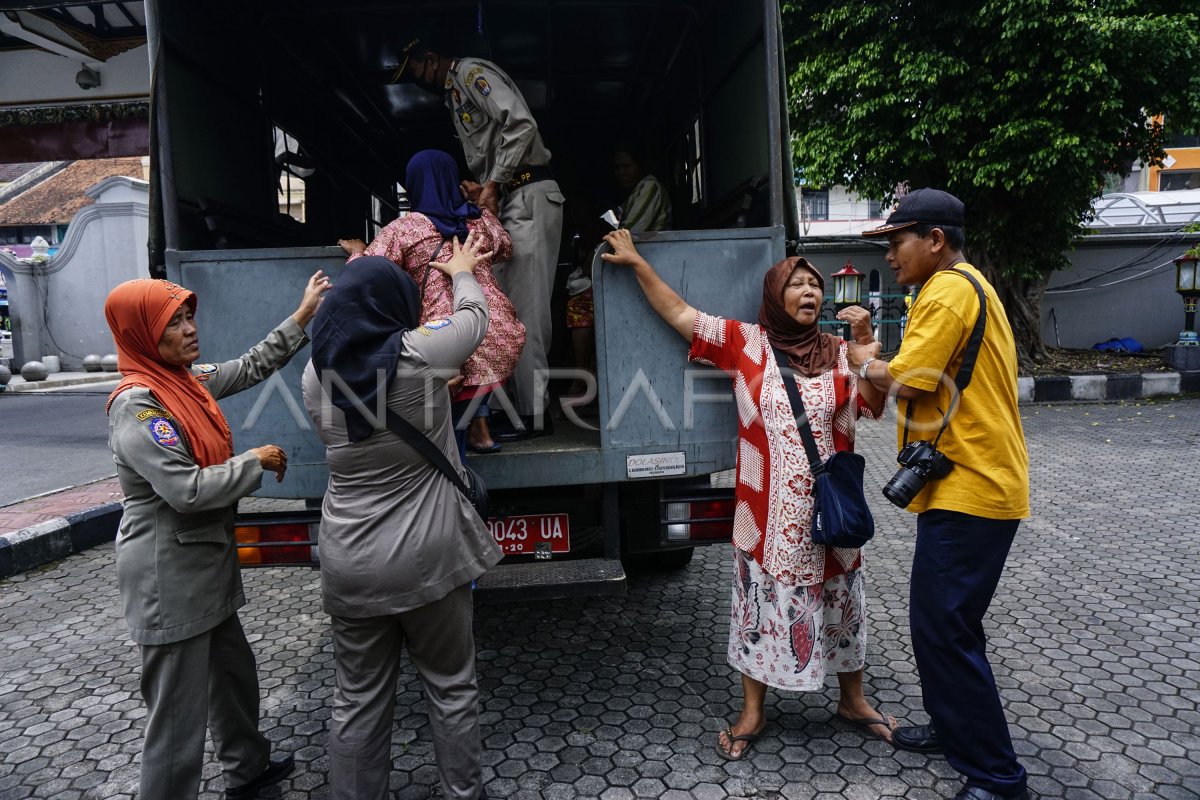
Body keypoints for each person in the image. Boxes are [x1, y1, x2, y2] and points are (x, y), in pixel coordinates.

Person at [600, 228, 897, 761]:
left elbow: (871, 406)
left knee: (841, 596)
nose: (810, 293)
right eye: (797, 284)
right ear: (775, 295)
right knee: (760, 605)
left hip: (833, 506)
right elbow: (681, 315)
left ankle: (852, 699)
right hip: (766, 512)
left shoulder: (838, 352)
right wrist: (638, 264)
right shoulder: (746, 342)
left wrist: (864, 346)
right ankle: (753, 711)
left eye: (815, 286)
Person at [103, 271, 330, 800]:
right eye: (173, 323)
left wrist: (302, 316)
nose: (189, 330)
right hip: (170, 578)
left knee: (232, 677)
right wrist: (253, 460)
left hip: (202, 564)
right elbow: (185, 490)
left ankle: (247, 769)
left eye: (189, 317)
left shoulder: (183, 380)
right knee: (178, 717)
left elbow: (249, 366)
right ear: (140, 334)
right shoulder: (140, 405)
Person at [301, 233, 503, 800]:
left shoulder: (313, 378)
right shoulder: (418, 354)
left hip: (348, 560)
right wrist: (462, 270)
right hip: (428, 559)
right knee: (450, 685)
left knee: (358, 698)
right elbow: (474, 319)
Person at [850, 188, 1031, 800]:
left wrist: (863, 361)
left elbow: (908, 378)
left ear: (934, 240)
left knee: (945, 628)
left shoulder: (950, 290)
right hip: (963, 482)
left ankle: (998, 777)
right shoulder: (964, 285)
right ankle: (954, 730)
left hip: (973, 487)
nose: (891, 254)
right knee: (940, 623)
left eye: (897, 241)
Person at [397, 38, 565, 440]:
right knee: (503, 309)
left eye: (417, 72)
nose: (418, 82)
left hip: (528, 194)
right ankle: (517, 409)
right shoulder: (456, 93)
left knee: (526, 310)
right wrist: (488, 190)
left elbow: (521, 125)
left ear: (432, 59)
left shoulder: (473, 74)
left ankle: (534, 415)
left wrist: (493, 181)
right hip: (511, 197)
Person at [339, 148, 524, 457]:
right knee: (473, 382)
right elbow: (506, 247)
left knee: (446, 437)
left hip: (444, 339)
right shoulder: (481, 222)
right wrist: (484, 210)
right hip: (495, 331)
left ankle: (459, 479)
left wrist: (358, 250)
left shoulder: (404, 229)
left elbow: (366, 274)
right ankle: (478, 434)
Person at [564, 145, 671, 401]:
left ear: (640, 166)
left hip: (645, 272)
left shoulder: (649, 187)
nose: (621, 172)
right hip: (630, 272)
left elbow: (628, 234)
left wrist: (599, 253)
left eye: (626, 166)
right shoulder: (633, 194)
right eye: (617, 168)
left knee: (580, 305)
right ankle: (588, 378)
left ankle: (583, 381)